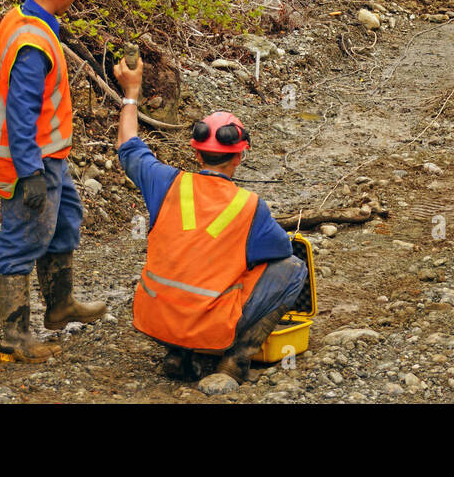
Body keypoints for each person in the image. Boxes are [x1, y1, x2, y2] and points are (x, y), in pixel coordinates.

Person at [113, 57, 308, 386]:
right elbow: (279, 253)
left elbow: (127, 145)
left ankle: (178, 354)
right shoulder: (249, 207)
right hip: (208, 325)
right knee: (293, 267)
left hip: (155, 320)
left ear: (196, 153)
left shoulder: (164, 182)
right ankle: (235, 360)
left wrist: (131, 91)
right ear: (239, 157)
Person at [0, 0, 107, 363]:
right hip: (30, 160)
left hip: (48, 155)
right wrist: (31, 172)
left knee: (65, 220)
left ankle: (60, 305)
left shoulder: (25, 20)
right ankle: (15, 338)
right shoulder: (34, 42)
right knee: (20, 243)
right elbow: (22, 111)